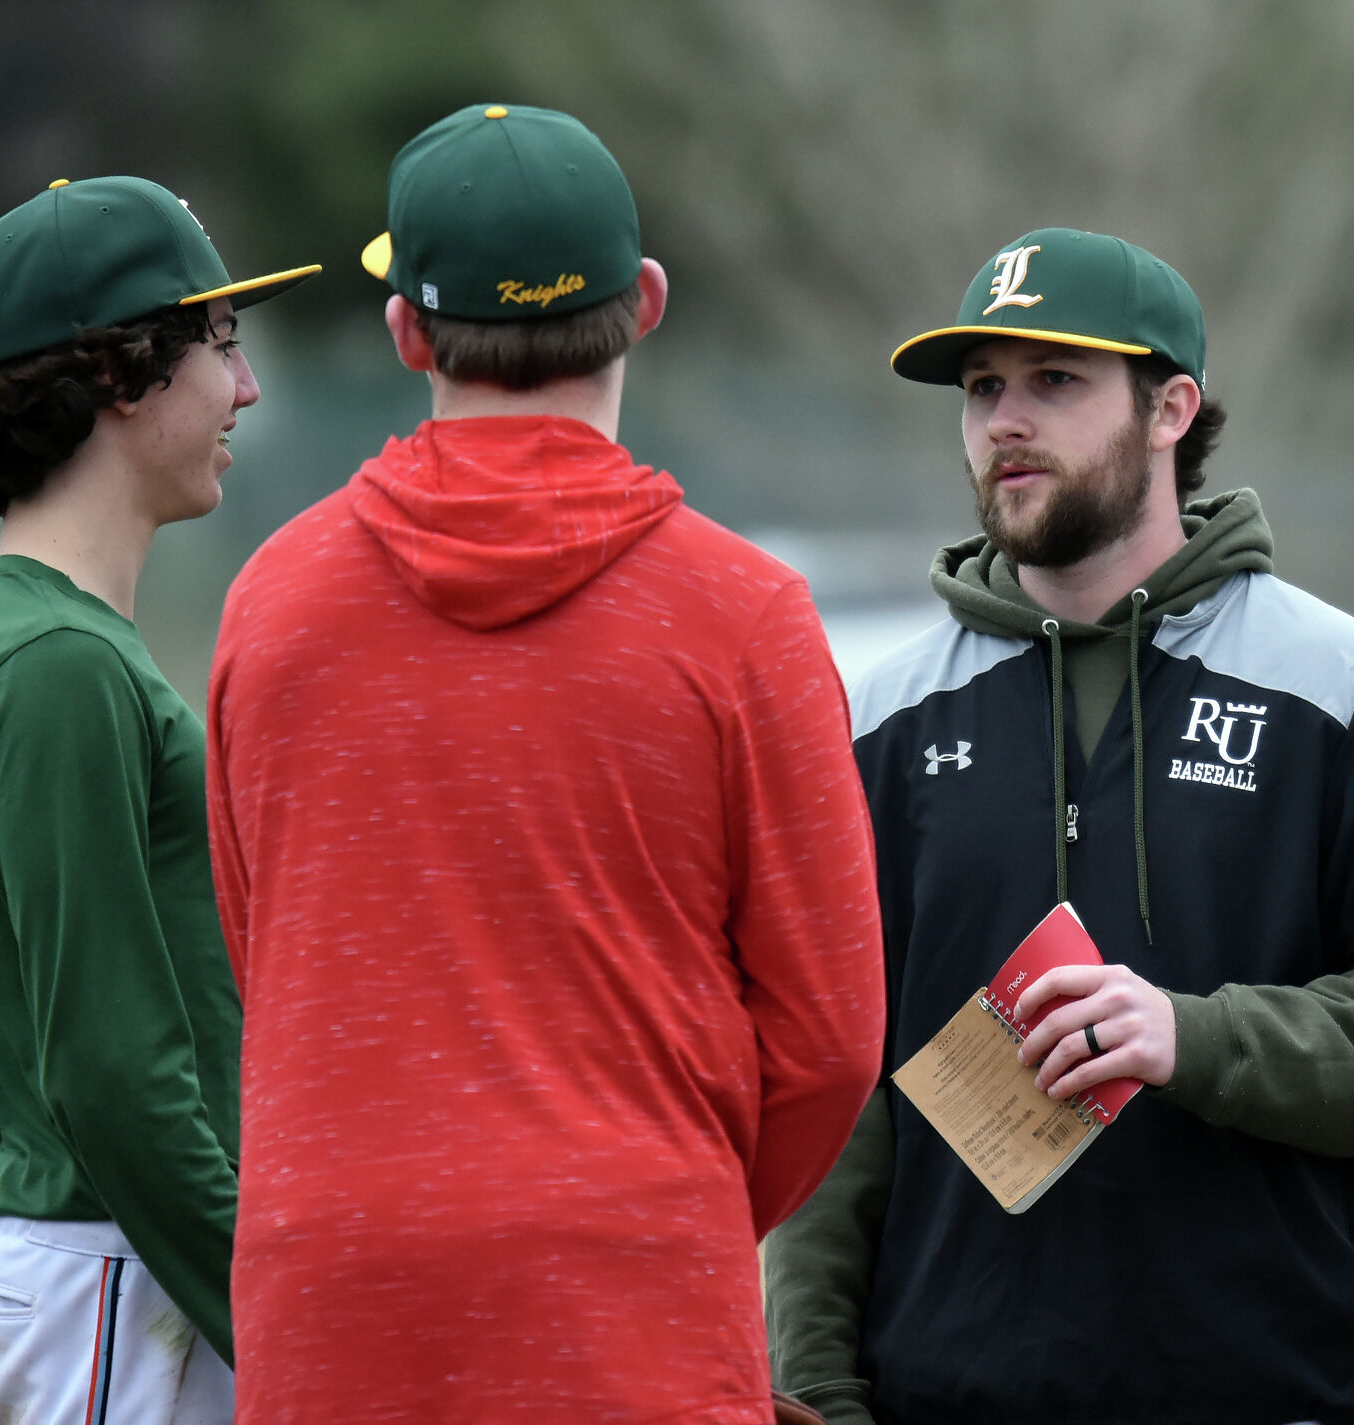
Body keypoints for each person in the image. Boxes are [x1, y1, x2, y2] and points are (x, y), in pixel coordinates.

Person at [203, 103, 885, 1425]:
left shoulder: (272, 602)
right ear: (643, 304)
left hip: (333, 1294)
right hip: (631, 1287)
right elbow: (832, 1040)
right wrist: (658, 1205)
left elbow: (265, 953)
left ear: (405, 327)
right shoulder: (743, 614)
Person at [764, 229, 1354, 1424]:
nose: (1004, 420)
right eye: (980, 389)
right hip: (945, 1396)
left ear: (1170, 409)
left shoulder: (1337, 688)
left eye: (1054, 382)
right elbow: (835, 1095)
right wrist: (812, 1384)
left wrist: (1190, 1037)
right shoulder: (877, 721)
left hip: (1262, 1389)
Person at [0, 175, 316, 1425]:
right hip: (122, 1281)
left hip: (121, 1275)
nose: (243, 387)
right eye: (222, 342)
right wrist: (282, 1323)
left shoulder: (46, 642)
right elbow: (108, 1070)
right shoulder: (56, 666)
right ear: (121, 371)